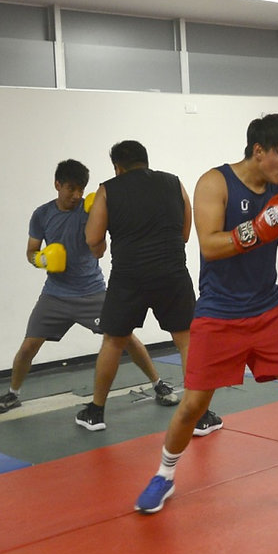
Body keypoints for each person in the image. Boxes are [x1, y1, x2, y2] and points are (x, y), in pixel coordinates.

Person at [134, 113, 278, 514]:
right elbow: (209, 245)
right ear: (259, 151)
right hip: (219, 312)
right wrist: (262, 224)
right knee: (194, 406)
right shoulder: (214, 182)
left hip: (268, 308)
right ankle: (164, 475)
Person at [0, 159, 176, 414]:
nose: (77, 195)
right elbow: (31, 252)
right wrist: (42, 259)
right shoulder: (42, 214)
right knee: (28, 347)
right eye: (71, 189)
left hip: (93, 292)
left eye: (81, 189)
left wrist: (101, 211)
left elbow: (102, 245)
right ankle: (13, 394)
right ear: (57, 185)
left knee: (126, 338)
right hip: (55, 295)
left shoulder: (89, 210)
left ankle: (158, 384)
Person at [76, 141, 221, 434]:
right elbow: (184, 234)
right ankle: (200, 416)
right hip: (172, 272)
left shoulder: (108, 189)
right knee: (186, 340)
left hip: (129, 276)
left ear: (117, 167)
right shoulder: (174, 183)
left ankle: (95, 412)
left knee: (114, 341)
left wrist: (100, 243)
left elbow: (93, 241)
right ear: (146, 160)